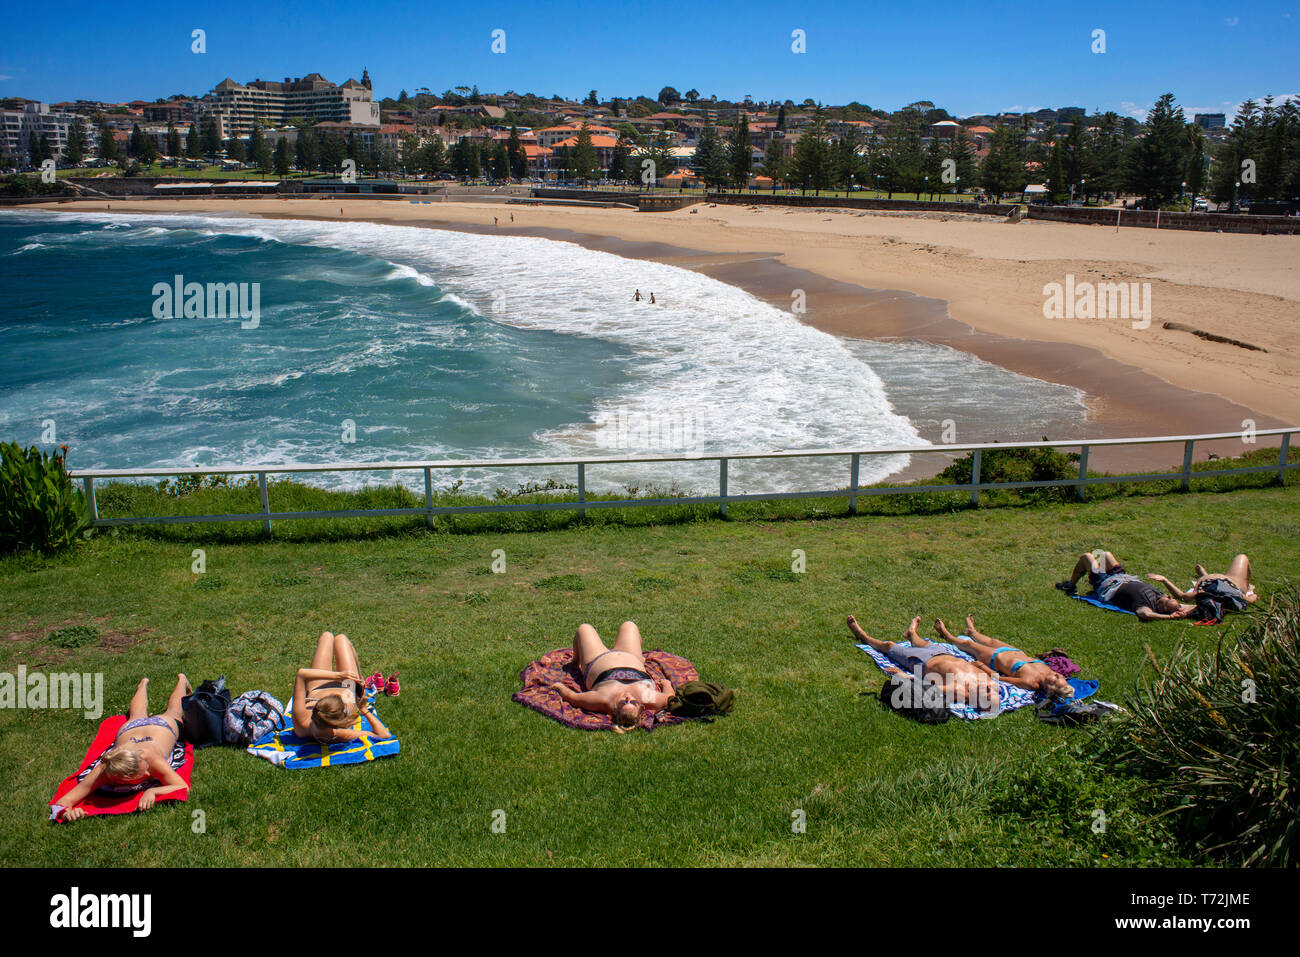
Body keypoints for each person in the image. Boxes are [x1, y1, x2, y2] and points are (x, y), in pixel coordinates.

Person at [58, 674, 192, 823]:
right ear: (124, 779)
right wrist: (67, 813)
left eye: (146, 769)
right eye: (145, 772)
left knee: (169, 714)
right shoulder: (104, 771)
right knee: (142, 715)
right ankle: (154, 683)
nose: (149, 771)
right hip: (134, 731)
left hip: (160, 726)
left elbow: (182, 787)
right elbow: (64, 801)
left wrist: (153, 791)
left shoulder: (149, 758)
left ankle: (176, 681)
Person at [848, 615, 1002, 715]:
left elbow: (926, 689)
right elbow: (994, 681)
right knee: (922, 643)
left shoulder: (960, 691)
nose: (989, 688)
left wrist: (903, 677)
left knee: (889, 646)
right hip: (945, 653)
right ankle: (912, 633)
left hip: (923, 662)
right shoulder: (991, 685)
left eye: (987, 694)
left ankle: (863, 636)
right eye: (991, 691)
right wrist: (980, 666)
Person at [551, 621, 674, 731]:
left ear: (615, 709)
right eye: (633, 702)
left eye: (624, 702)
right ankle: (640, 659)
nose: (628, 697)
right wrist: (666, 685)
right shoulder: (648, 699)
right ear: (641, 708)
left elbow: (573, 697)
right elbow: (669, 697)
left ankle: (574, 661)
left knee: (584, 629)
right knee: (629, 625)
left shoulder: (603, 700)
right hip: (631, 656)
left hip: (597, 658)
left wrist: (560, 687)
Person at [291, 631, 393, 744]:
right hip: (346, 690)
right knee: (341, 639)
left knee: (327, 636)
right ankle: (362, 680)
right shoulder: (338, 733)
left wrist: (338, 675)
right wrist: (363, 709)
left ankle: (358, 680)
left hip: (318, 688)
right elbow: (384, 734)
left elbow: (301, 674)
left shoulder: (301, 723)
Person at [935, 615, 1073, 698]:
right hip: (1015, 652)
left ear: (1049, 688)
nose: (1057, 675)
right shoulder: (1049, 671)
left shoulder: (1030, 682)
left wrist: (981, 666)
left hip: (996, 658)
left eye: (1056, 679)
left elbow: (1000, 678)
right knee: (991, 641)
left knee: (969, 645)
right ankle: (972, 631)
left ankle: (946, 634)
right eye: (1060, 677)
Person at [1057, 550, 1194, 620]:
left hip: (1107, 584)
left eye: (1164, 603)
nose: (1166, 596)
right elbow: (1190, 605)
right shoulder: (1163, 598)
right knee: (1105, 555)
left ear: (1160, 609)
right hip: (1123, 577)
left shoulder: (1146, 606)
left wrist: (1169, 617)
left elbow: (1144, 615)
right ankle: (1097, 570)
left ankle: (1070, 585)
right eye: (1168, 598)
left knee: (1087, 557)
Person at [1146, 554, 1257, 607]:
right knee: (1242, 557)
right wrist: (1250, 592)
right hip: (1232, 580)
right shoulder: (1231, 595)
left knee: (1242, 558)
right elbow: (1251, 599)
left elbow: (1181, 596)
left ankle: (1204, 575)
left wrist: (1165, 580)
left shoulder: (1200, 594)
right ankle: (1204, 575)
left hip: (1216, 580)